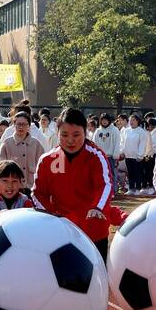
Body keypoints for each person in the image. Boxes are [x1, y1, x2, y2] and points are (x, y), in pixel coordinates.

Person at [31, 107, 115, 259]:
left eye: (76, 135)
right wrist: (53, 218)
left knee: (97, 277)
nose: (70, 140)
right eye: (64, 135)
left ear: (86, 132)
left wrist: (98, 207)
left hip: (93, 230)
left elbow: (105, 185)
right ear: (57, 134)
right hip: (62, 232)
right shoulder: (47, 160)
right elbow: (38, 193)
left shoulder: (96, 155)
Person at [0, 111, 43, 192]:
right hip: (12, 189)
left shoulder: (36, 144)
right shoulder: (7, 143)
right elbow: (0, 168)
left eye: (24, 124)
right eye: (18, 124)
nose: (21, 127)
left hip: (33, 188)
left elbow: (43, 167)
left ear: (29, 126)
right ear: (14, 125)